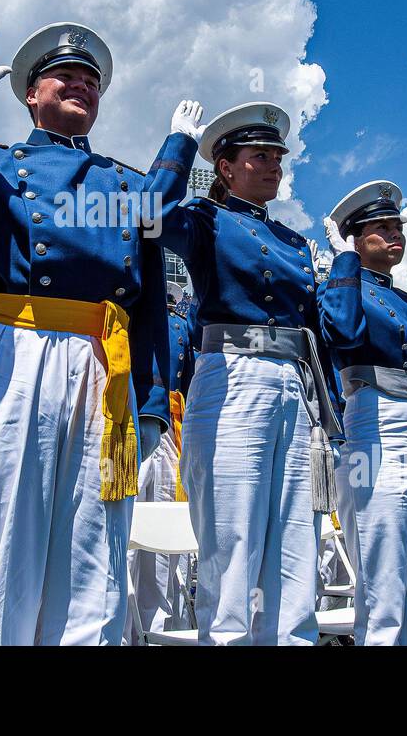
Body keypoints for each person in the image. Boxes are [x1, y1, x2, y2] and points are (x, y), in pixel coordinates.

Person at [0, 19, 200, 644]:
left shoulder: (127, 185)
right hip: (19, 351)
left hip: (105, 366)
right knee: (7, 541)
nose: (82, 86)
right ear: (31, 94)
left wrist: (150, 404)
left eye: (92, 81)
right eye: (65, 76)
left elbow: (146, 302)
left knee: (97, 555)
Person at [156, 102, 333, 646]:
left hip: (293, 382)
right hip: (232, 375)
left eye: (278, 156)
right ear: (226, 167)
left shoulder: (294, 242)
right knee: (232, 541)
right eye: (260, 156)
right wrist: (180, 146)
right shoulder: (203, 218)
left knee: (296, 541)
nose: (275, 165)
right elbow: (146, 216)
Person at [318, 180, 407, 645]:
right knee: (383, 582)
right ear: (355, 239)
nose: (395, 234)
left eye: (397, 226)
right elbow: (343, 332)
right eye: (381, 228)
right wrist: (343, 264)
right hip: (375, 425)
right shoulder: (340, 288)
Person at [128, 278, 197, 642]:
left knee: (165, 525)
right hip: (127, 412)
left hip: (171, 422)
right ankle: (127, 629)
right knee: (125, 524)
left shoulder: (180, 327)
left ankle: (156, 629)